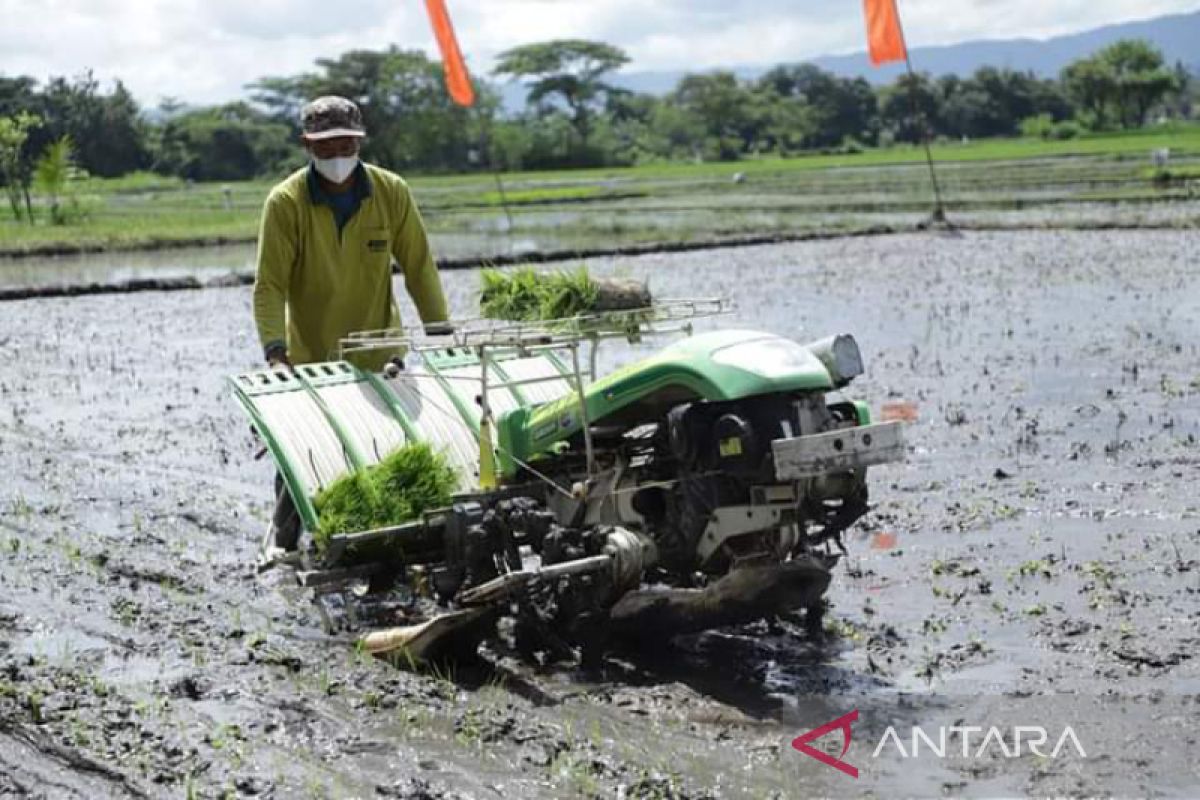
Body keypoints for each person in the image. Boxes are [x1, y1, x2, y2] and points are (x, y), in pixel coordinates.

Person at [252, 95, 450, 567]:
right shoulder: (286, 203)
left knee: (393, 445)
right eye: (326, 146)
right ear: (307, 145)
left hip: (382, 348)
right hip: (313, 353)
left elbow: (419, 266)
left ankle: (387, 540)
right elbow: (270, 285)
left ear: (360, 141)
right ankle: (282, 544)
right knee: (299, 454)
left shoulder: (390, 191)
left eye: (346, 142)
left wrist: (440, 333)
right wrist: (276, 354)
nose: (338, 154)